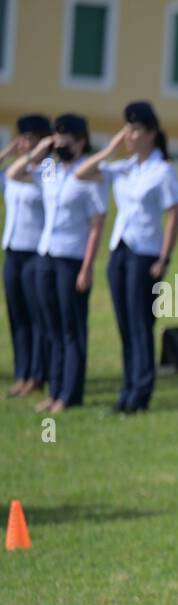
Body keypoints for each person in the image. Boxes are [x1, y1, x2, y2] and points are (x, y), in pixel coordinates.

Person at [77, 101, 178, 414]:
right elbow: (82, 173)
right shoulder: (123, 168)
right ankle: (127, 390)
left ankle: (141, 393)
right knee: (124, 326)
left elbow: (175, 216)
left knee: (141, 326)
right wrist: (111, 148)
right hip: (120, 251)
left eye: (136, 130)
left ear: (151, 133)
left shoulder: (163, 170)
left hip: (146, 254)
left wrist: (164, 258)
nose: (130, 135)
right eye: (127, 129)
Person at [8, 114, 106, 414]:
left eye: (67, 138)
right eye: (57, 137)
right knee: (51, 328)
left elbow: (96, 224)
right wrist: (45, 147)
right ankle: (53, 390)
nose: (61, 143)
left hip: (72, 258)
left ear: (81, 141)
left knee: (71, 330)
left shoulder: (88, 175)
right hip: (45, 255)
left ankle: (69, 394)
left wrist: (87, 267)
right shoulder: (51, 169)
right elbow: (15, 173)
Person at [2, 115, 51, 399]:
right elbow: (8, 173)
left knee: (36, 318)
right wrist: (10, 152)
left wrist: (36, 154)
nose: (24, 144)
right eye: (22, 138)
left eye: (30, 138)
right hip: (13, 250)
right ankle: (22, 373)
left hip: (36, 251)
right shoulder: (16, 168)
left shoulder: (49, 171)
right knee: (17, 316)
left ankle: (37, 374)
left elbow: (18, 173)